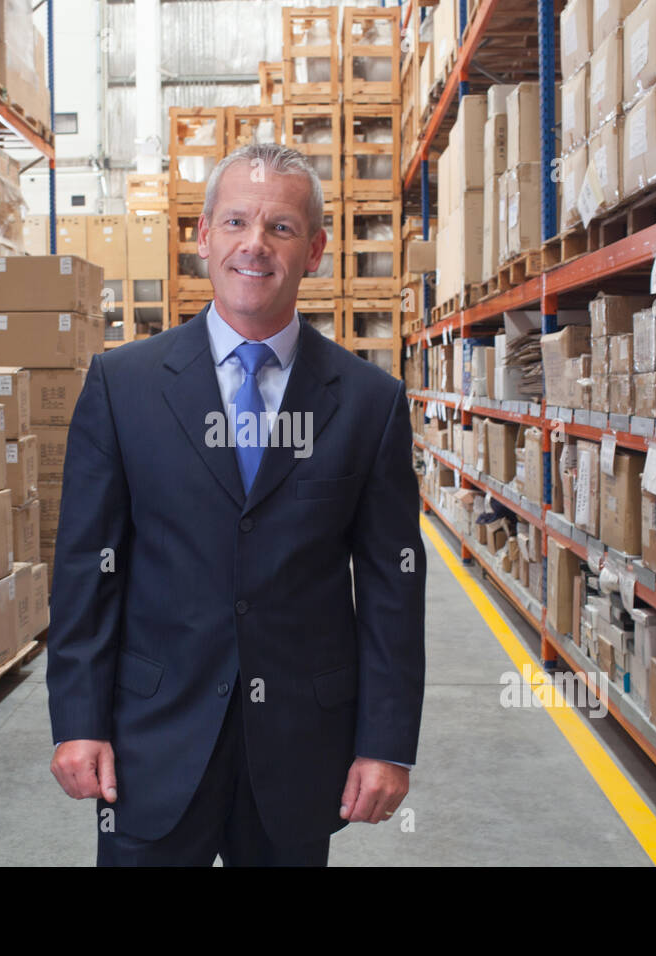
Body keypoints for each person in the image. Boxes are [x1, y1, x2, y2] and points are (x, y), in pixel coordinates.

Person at [46, 142, 425, 866]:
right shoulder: (123, 386)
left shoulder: (369, 404)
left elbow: (391, 589)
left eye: (281, 228)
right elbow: (85, 571)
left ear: (314, 250)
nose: (255, 245)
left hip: (297, 751)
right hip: (149, 739)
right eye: (236, 222)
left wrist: (385, 743)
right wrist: (77, 720)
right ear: (202, 236)